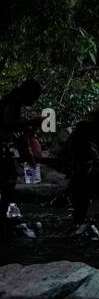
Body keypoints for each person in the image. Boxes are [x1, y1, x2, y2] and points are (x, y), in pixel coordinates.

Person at [1, 79, 42, 232]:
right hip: (3, 146)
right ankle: (5, 217)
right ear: (28, 92)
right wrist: (30, 122)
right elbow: (9, 123)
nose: (34, 100)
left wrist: (26, 152)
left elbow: (16, 131)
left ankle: (6, 215)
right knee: (8, 179)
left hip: (5, 145)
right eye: (35, 96)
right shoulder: (13, 100)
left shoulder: (12, 99)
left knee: (8, 179)